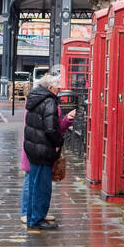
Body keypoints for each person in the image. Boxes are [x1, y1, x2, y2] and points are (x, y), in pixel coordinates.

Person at [22, 71, 71, 232]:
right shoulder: (49, 101)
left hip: (33, 148)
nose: (59, 89)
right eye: (57, 87)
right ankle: (37, 220)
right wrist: (59, 142)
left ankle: (31, 217)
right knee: (42, 187)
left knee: (35, 185)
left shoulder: (35, 98)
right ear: (50, 88)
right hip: (43, 149)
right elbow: (51, 129)